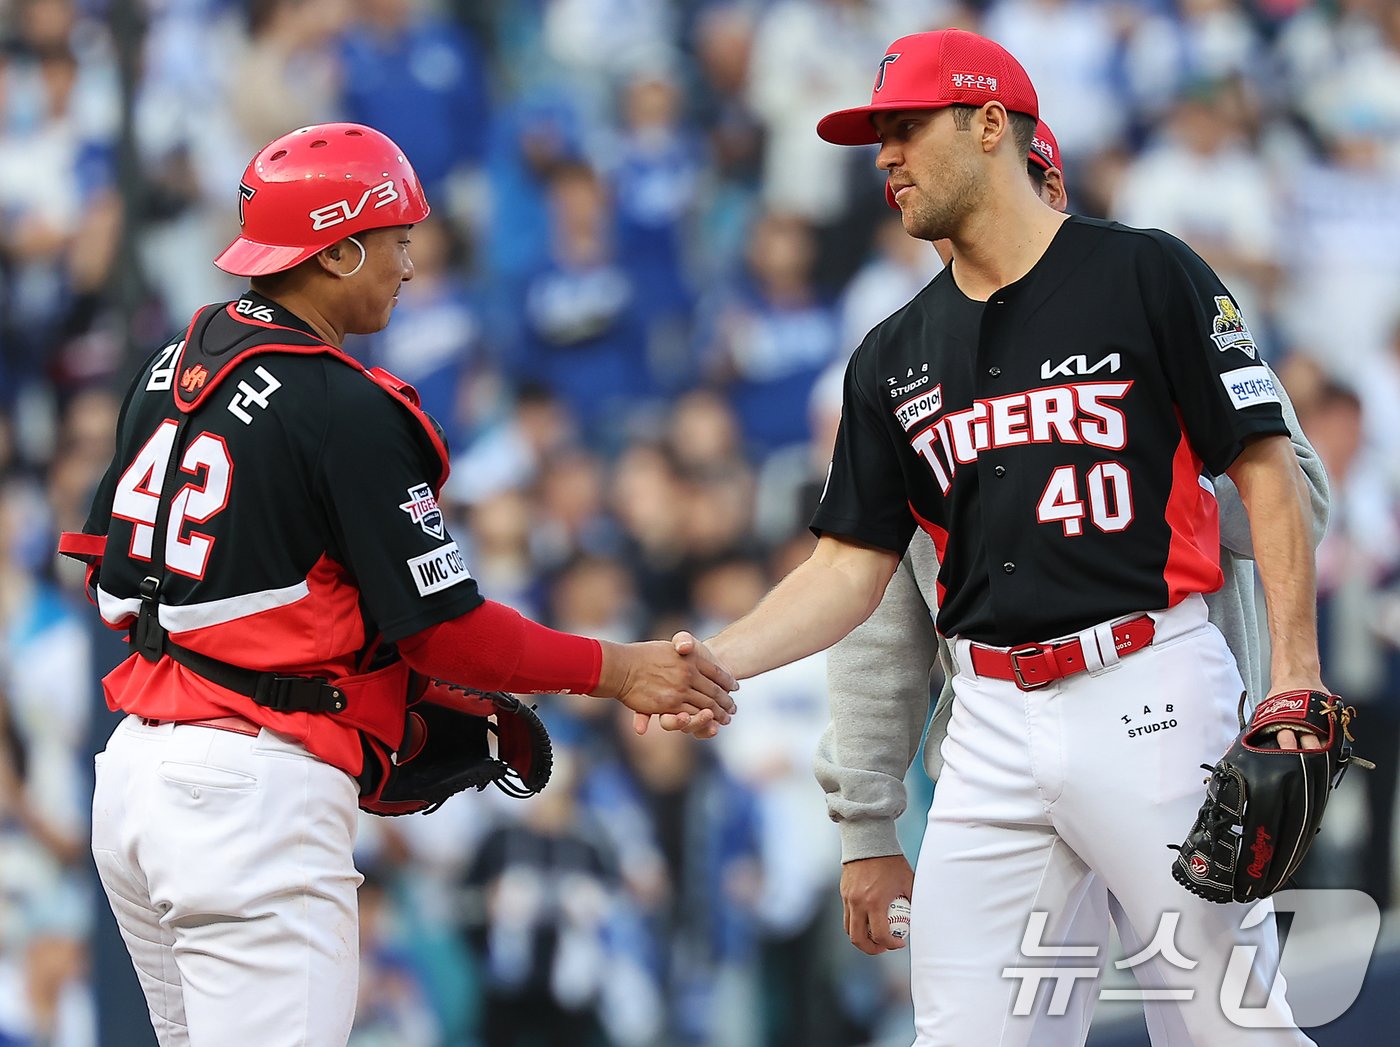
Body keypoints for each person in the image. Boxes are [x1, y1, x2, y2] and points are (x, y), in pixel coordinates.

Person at [649, 30, 1326, 1044]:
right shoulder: (889, 354)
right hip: (987, 724)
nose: (883, 156)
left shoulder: (1144, 274)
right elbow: (851, 577)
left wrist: (1292, 674)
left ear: (989, 126)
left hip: (1143, 683)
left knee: (1228, 1029)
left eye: (904, 128)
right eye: (876, 135)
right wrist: (716, 662)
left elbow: (1274, 472)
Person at [57, 123, 736, 1047]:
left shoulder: (172, 363)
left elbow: (110, 570)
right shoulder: (343, 401)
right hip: (250, 793)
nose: (410, 263)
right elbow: (445, 630)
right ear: (335, 248)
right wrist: (617, 668)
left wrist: (359, 681)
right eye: (396, 238)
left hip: (137, 777)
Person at [814, 111, 1330, 1020]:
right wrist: (865, 819)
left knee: (1224, 1021)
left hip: (1160, 700)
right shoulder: (911, 364)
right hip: (995, 726)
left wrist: (1113, 466)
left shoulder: (1140, 292)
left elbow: (1302, 497)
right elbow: (875, 618)